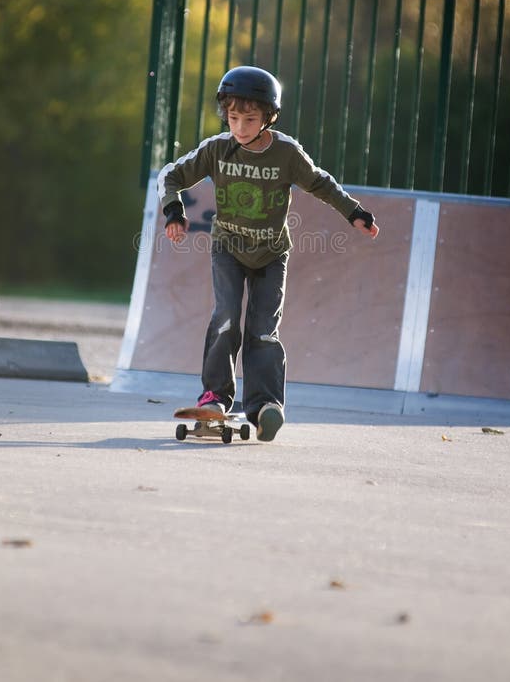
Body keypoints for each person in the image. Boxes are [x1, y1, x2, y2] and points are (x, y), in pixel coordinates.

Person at [158, 66, 379, 442]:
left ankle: (263, 406)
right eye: (233, 118)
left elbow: (320, 183)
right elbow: (172, 175)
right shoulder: (216, 149)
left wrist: (354, 212)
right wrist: (174, 212)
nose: (240, 128)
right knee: (227, 317)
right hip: (228, 248)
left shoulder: (286, 154)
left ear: (268, 118)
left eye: (250, 119)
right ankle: (214, 397)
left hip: (272, 254)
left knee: (263, 330)